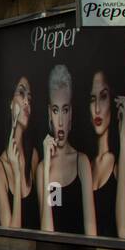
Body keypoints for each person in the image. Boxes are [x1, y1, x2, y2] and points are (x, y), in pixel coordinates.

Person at [39, 64, 96, 235]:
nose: (61, 122)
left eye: (65, 110)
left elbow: (91, 231)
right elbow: (46, 232)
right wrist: (47, 168)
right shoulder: (43, 167)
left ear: (71, 112)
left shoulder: (82, 162)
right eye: (56, 111)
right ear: (49, 113)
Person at [88, 69, 125, 239]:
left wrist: (123, 140)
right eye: (92, 99)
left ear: (114, 100)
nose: (96, 109)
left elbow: (124, 230)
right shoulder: (86, 162)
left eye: (103, 97)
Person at [0, 75, 40, 229]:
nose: (26, 102)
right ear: (10, 104)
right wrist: (18, 175)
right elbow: (11, 233)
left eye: (29, 99)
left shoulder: (33, 156)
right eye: (21, 94)